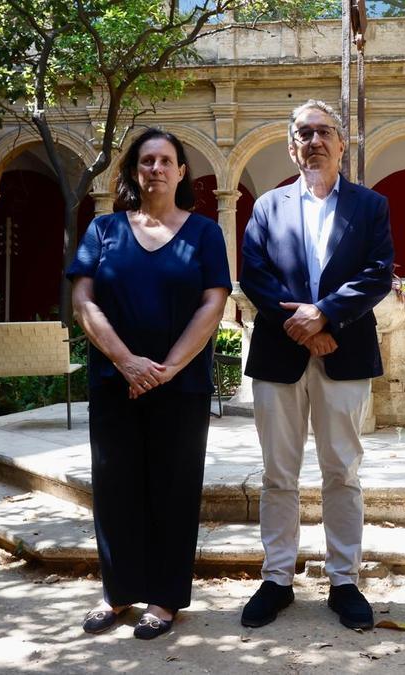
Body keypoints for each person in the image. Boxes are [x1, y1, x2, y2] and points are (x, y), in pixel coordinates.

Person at [68, 128, 231, 640]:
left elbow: (213, 303)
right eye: (146, 161)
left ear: (182, 172)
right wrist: (127, 363)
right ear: (133, 172)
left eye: (166, 161)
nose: (156, 169)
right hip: (115, 382)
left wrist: (169, 368)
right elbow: (84, 302)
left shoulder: (204, 233)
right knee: (116, 488)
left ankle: (164, 599)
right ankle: (117, 593)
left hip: (179, 387)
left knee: (174, 488)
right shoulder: (103, 230)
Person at [238, 100, 395, 630]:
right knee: (278, 474)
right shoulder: (267, 206)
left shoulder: (370, 206)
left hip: (344, 353)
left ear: (341, 144)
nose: (314, 141)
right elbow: (254, 275)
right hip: (279, 357)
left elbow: (377, 275)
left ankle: (344, 579)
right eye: (303, 133)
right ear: (291, 145)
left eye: (324, 132)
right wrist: (303, 328)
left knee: (342, 471)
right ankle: (277, 577)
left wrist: (324, 317)